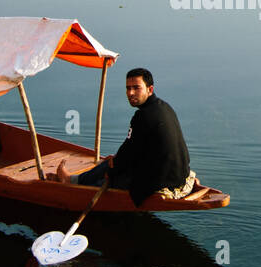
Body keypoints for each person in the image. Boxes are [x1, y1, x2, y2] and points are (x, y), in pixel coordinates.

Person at [53, 68, 195, 207]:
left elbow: (128, 153)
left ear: (150, 89)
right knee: (112, 161)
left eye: (136, 88)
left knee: (110, 171)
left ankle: (71, 182)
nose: (130, 93)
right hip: (179, 175)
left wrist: (112, 171)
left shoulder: (143, 116)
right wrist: (116, 161)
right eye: (128, 88)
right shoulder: (165, 107)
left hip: (160, 182)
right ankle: (75, 179)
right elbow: (133, 150)